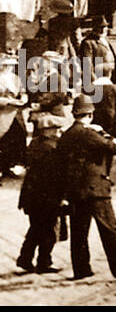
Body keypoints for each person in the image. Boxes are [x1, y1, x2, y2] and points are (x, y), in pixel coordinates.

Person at [58, 94, 116, 280]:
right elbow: (112, 147)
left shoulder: (66, 136)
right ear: (90, 114)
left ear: (74, 113)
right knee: (108, 227)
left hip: (75, 190)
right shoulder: (91, 133)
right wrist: (103, 133)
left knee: (79, 232)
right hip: (97, 187)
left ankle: (81, 269)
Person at [16, 108, 66, 274]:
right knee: (50, 231)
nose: (59, 132)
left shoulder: (35, 144)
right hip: (46, 198)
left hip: (31, 197)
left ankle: (25, 259)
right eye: (56, 129)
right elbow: (54, 177)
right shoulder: (52, 150)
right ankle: (44, 262)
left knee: (35, 229)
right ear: (48, 131)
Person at [89, 72, 116, 154]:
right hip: (113, 126)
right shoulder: (115, 89)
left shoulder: (90, 89)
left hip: (96, 125)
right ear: (109, 74)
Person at [0, 52, 28, 178]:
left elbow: (23, 91)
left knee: (17, 138)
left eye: (11, 65)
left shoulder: (15, 78)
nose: (9, 68)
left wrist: (23, 98)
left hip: (15, 114)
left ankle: (8, 166)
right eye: (6, 65)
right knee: (2, 140)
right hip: (2, 114)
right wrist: (8, 101)